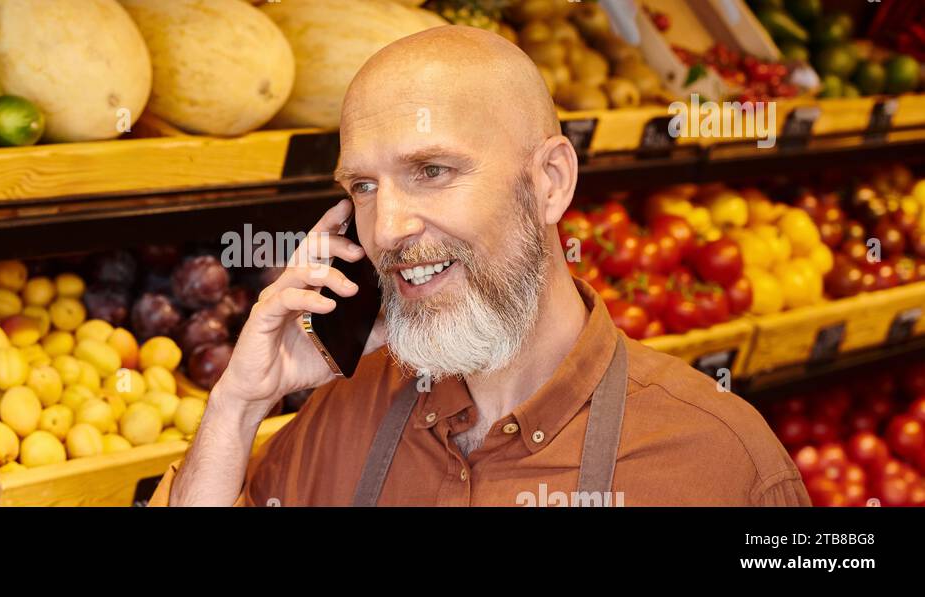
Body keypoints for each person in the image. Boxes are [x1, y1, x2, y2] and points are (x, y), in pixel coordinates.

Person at [149, 26, 808, 507]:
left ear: (550, 181)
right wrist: (238, 403)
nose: (387, 228)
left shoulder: (719, 465)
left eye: (431, 171)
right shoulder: (340, 414)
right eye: (364, 187)